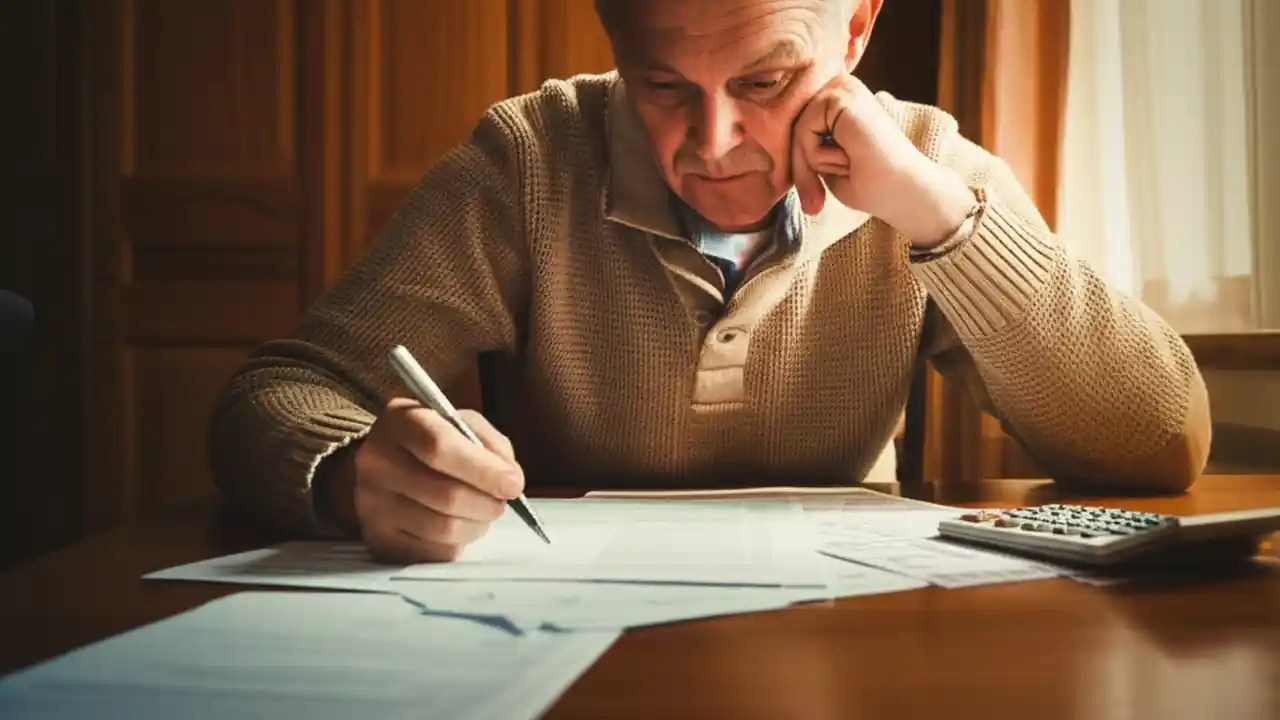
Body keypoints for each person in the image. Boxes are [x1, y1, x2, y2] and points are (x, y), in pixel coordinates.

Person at [208, 0, 1210, 562]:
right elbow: (269, 395)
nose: (714, 144)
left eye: (765, 81)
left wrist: (937, 217)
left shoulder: (927, 163)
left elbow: (1159, 440)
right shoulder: (528, 161)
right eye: (662, 87)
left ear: (855, 29)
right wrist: (347, 478)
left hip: (843, 644)